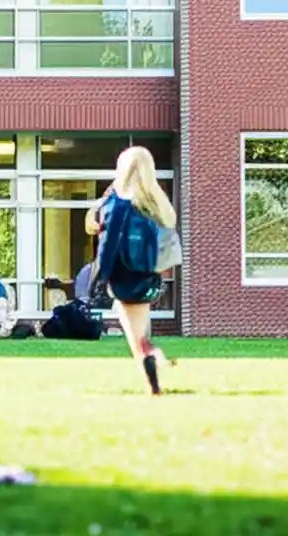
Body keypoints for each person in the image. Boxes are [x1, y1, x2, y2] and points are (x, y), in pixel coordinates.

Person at [90, 146, 177, 395]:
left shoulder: (115, 203)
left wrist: (99, 277)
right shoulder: (156, 204)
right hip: (148, 276)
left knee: (136, 340)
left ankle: (153, 380)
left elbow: (102, 239)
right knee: (141, 330)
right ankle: (155, 356)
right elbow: (168, 236)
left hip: (123, 278)